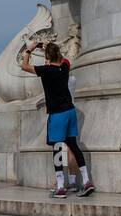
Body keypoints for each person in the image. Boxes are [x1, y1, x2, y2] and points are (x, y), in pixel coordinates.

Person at [20, 42, 94, 198]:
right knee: (73, 145)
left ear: (47, 56)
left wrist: (30, 49)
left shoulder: (46, 70)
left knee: (57, 149)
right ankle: (86, 181)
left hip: (57, 114)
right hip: (70, 110)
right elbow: (66, 60)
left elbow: (24, 66)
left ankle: (60, 186)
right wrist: (50, 47)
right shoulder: (64, 68)